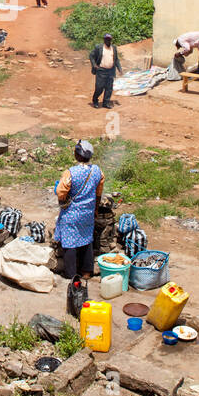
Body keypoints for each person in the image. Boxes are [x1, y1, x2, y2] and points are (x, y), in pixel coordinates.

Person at [54, 140, 104, 280]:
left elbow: (61, 193)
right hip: (88, 213)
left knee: (69, 242)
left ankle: (71, 274)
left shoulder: (70, 173)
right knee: (87, 239)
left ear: (77, 155)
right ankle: (87, 272)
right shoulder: (97, 170)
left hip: (72, 214)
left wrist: (63, 198)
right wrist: (95, 209)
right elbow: (98, 192)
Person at [89, 33, 121, 109]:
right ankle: (95, 100)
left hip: (111, 71)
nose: (108, 41)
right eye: (106, 39)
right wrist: (94, 65)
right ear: (104, 40)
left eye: (109, 39)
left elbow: (116, 60)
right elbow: (91, 55)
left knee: (109, 88)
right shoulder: (99, 47)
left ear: (111, 40)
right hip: (101, 71)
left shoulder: (114, 48)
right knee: (99, 87)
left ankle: (105, 103)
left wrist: (120, 69)